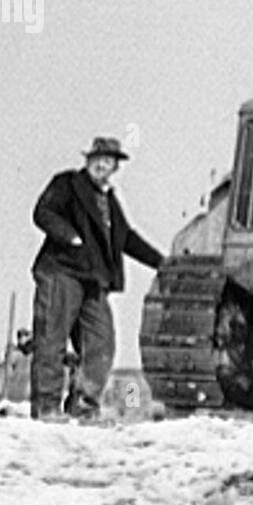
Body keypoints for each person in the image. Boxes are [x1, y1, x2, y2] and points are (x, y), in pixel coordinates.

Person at [30, 136, 164, 421]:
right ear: (88, 160)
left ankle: (85, 405)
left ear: (116, 167)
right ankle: (47, 407)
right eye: (98, 158)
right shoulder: (67, 184)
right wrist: (70, 237)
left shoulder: (109, 200)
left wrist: (161, 262)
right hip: (61, 271)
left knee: (102, 343)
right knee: (52, 338)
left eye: (109, 160)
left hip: (94, 279)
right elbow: (43, 212)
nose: (102, 165)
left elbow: (126, 237)